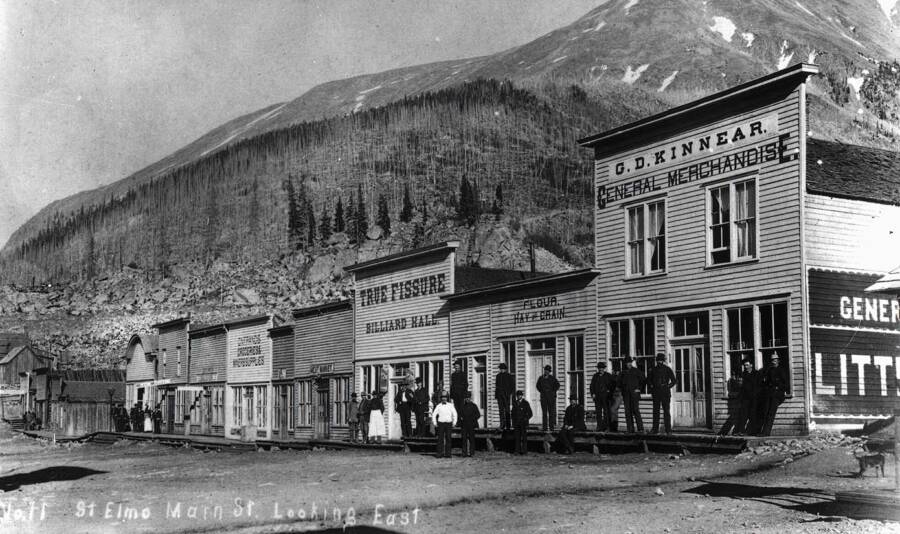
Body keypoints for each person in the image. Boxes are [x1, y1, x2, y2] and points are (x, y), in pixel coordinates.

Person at [759, 354, 789, 436]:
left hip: (777, 394)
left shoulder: (782, 370)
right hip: (769, 393)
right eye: (772, 360)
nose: (774, 362)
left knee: (771, 413)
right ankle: (763, 431)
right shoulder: (769, 370)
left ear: (778, 361)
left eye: (775, 360)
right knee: (765, 412)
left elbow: (786, 384)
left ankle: (766, 432)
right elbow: (766, 382)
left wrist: (778, 387)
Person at [648, 353, 677, 434]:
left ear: (663, 361)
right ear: (656, 361)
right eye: (658, 360)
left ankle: (668, 430)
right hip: (656, 393)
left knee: (666, 412)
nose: (659, 362)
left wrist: (668, 386)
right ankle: (655, 429)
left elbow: (674, 380)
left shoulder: (667, 369)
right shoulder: (653, 370)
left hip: (665, 393)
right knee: (656, 412)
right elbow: (649, 381)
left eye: (661, 360)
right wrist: (652, 388)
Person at [619, 357, 645, 433]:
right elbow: (618, 382)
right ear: (625, 364)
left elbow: (643, 381)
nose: (629, 364)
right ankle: (630, 429)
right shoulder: (623, 372)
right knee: (627, 411)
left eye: (630, 362)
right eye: (627, 362)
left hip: (634, 394)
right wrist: (622, 388)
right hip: (626, 394)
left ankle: (640, 429)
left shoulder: (636, 371)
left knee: (635, 410)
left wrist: (639, 389)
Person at [735, 360, 760, 435]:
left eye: (747, 365)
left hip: (754, 397)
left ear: (751, 365)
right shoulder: (743, 374)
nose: (745, 367)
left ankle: (753, 432)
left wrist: (756, 394)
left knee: (753, 414)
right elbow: (741, 387)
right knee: (743, 414)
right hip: (745, 398)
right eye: (744, 365)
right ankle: (741, 431)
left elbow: (759, 385)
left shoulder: (756, 374)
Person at [589, 361, 615, 431]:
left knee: (606, 412)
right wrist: (593, 393)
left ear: (604, 368)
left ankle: (607, 427)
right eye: (599, 368)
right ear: (598, 369)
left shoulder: (608, 376)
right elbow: (592, 386)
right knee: (598, 412)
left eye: (602, 368)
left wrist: (610, 391)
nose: (601, 369)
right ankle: (599, 427)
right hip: (597, 397)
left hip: (606, 397)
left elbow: (613, 384)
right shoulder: (595, 376)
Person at [431, 392, 457, 458]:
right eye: (443, 397)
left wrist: (454, 422)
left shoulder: (450, 405)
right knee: (440, 439)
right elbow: (434, 414)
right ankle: (440, 453)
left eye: (445, 397)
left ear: (447, 398)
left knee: (448, 438)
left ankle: (448, 454)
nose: (444, 399)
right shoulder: (438, 406)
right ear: (441, 398)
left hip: (448, 423)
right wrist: (435, 423)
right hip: (441, 424)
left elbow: (455, 414)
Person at [536, 365, 560, 431]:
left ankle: (551, 427)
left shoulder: (552, 378)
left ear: (549, 372)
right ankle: (545, 427)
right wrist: (542, 391)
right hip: (543, 398)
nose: (546, 372)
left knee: (551, 413)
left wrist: (552, 391)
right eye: (545, 370)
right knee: (544, 413)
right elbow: (537, 386)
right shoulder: (541, 378)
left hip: (551, 398)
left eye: (548, 371)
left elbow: (557, 385)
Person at [460, 391, 481, 457]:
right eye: (466, 398)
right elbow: (460, 414)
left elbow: (478, 415)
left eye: (468, 398)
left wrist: (473, 419)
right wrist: (461, 418)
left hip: (471, 424)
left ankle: (472, 453)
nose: (467, 399)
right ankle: (464, 453)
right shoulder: (463, 406)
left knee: (472, 439)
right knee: (464, 439)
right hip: (464, 425)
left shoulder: (474, 406)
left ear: (470, 398)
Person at [511, 390, 533, 455]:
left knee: (524, 437)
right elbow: (513, 413)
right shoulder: (515, 403)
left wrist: (526, 419)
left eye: (520, 395)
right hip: (517, 423)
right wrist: (513, 422)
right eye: (517, 395)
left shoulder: (526, 403)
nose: (518, 396)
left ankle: (524, 451)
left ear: (522, 396)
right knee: (517, 437)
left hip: (523, 423)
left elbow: (530, 413)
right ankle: (517, 451)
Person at [495, 362, 515, 431]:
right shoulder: (498, 376)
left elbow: (512, 386)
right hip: (499, 395)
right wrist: (497, 395)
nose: (501, 370)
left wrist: (508, 393)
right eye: (500, 369)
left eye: (503, 369)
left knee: (507, 410)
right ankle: (502, 425)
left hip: (506, 396)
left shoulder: (509, 376)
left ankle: (508, 425)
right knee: (501, 411)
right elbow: (496, 386)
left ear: (505, 369)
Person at [450, 361, 468, 426]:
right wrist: (451, 395)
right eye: (455, 367)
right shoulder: (453, 375)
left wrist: (464, 394)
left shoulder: (463, 374)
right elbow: (452, 385)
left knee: (461, 408)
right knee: (456, 408)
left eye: (457, 366)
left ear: (460, 367)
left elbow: (466, 385)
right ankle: (458, 422)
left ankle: (462, 422)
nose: (456, 368)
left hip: (461, 394)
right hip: (455, 395)